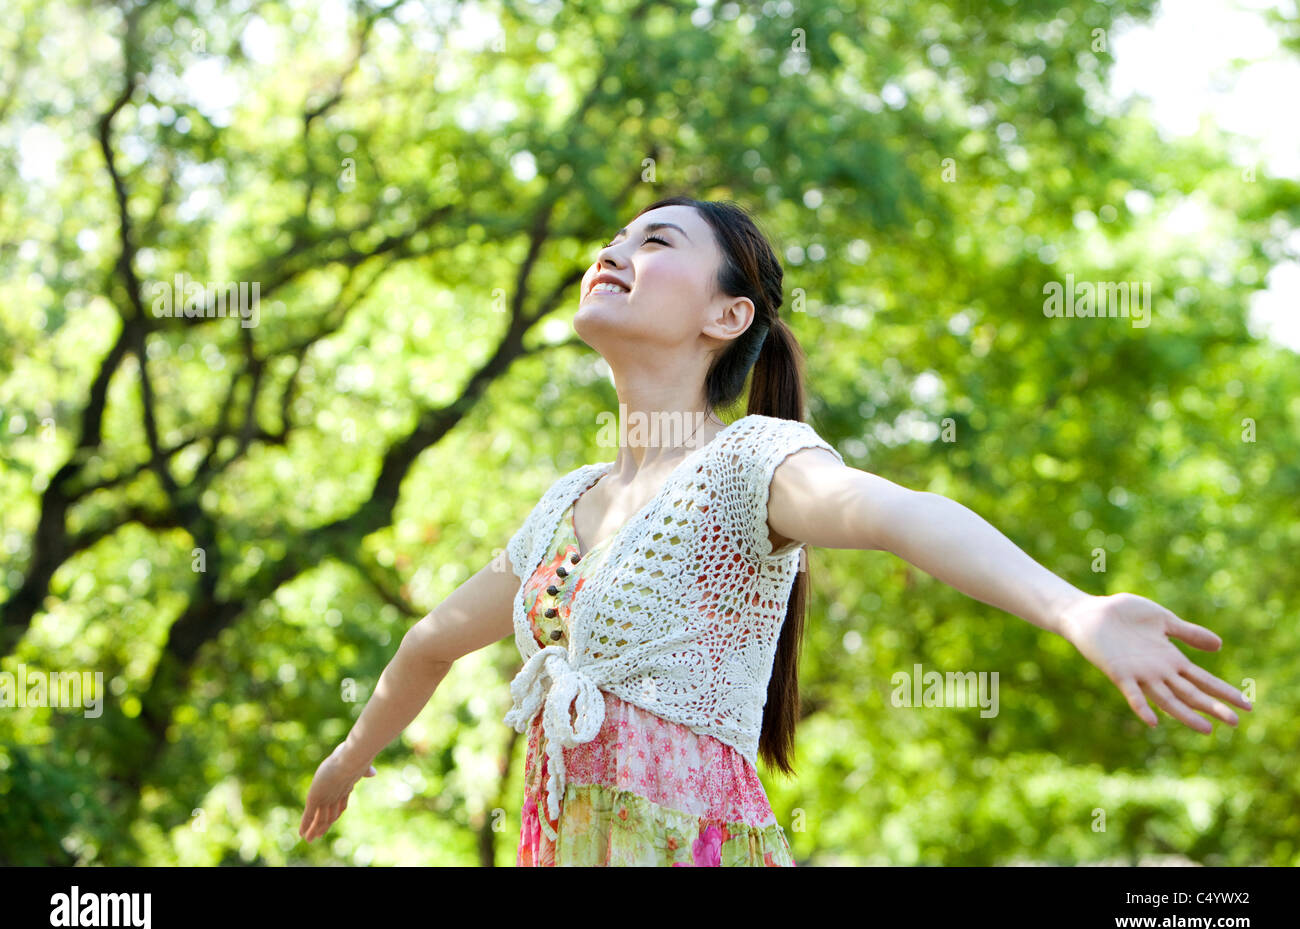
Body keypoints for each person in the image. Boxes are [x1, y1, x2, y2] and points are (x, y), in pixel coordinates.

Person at [299, 196, 1251, 864]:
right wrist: (349, 760)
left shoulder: (748, 462)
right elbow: (429, 645)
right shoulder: (565, 503)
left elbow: (900, 517)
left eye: (656, 241)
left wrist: (1074, 609)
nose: (613, 251)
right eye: (615, 238)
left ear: (728, 313)